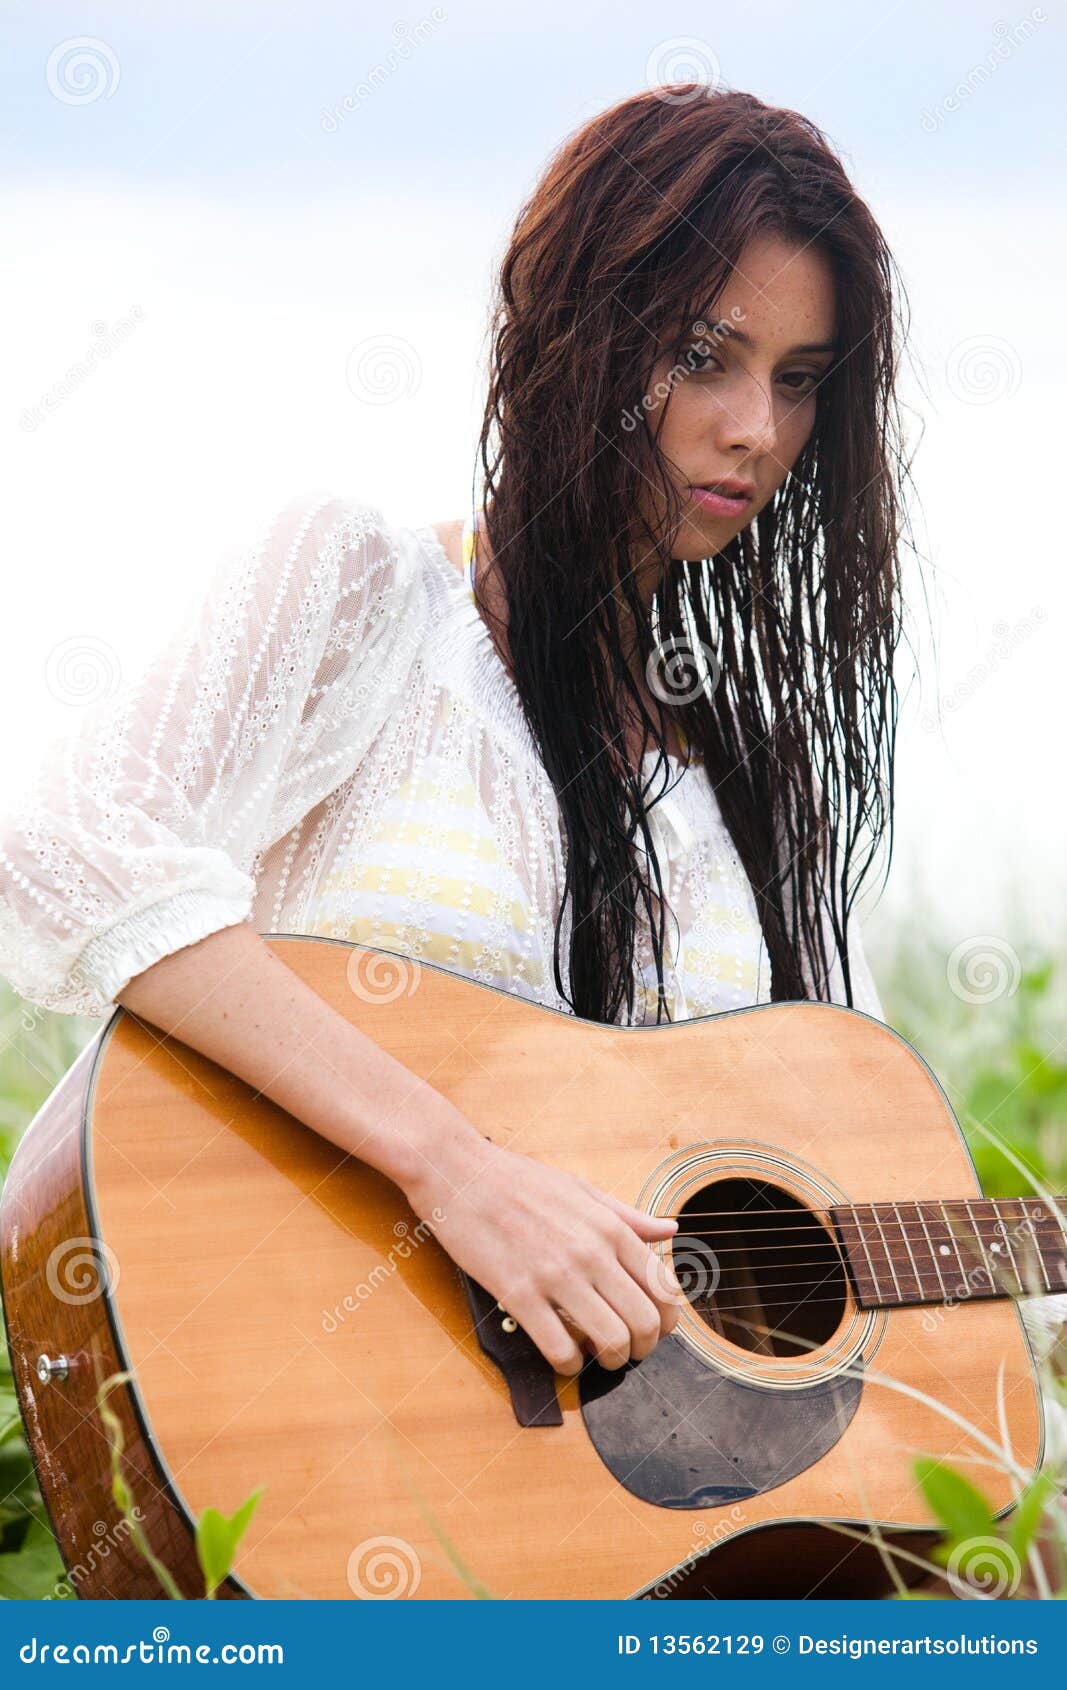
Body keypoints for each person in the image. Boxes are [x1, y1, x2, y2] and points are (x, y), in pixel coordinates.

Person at [4, 84, 1060, 1420]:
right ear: (574, 333)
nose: (756, 430)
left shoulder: (743, 779)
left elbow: (828, 1216)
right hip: (311, 1406)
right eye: (702, 356)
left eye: (798, 382)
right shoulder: (368, 598)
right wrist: (455, 1168)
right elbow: (63, 848)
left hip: (614, 1521)